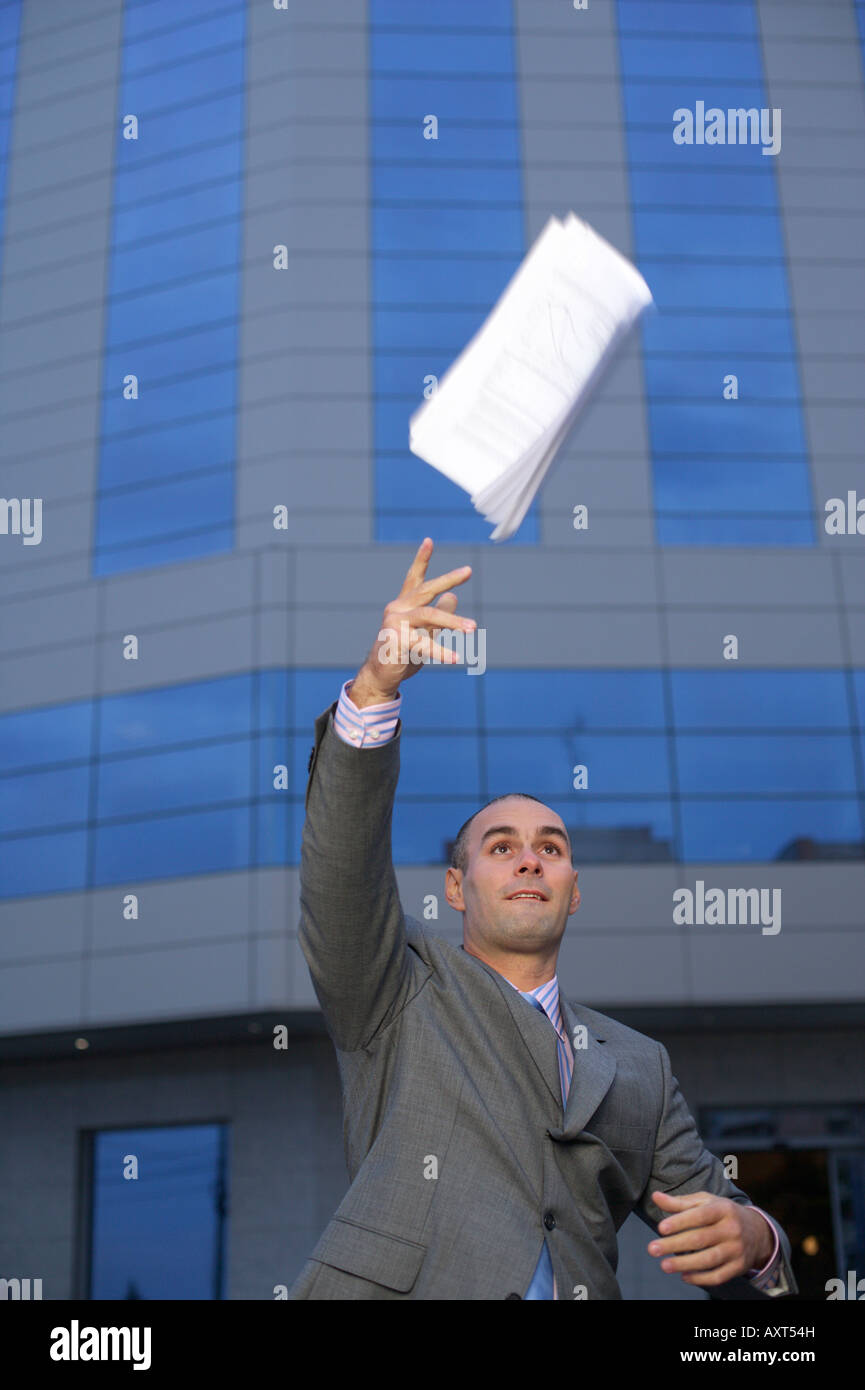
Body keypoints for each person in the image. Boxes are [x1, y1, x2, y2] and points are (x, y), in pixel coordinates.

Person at [289, 538, 797, 1300]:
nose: (529, 860)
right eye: (502, 846)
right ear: (456, 888)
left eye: (549, 847)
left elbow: (716, 1229)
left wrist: (756, 1240)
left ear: (573, 888)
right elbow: (341, 873)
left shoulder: (639, 1068)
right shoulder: (398, 994)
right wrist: (374, 690)